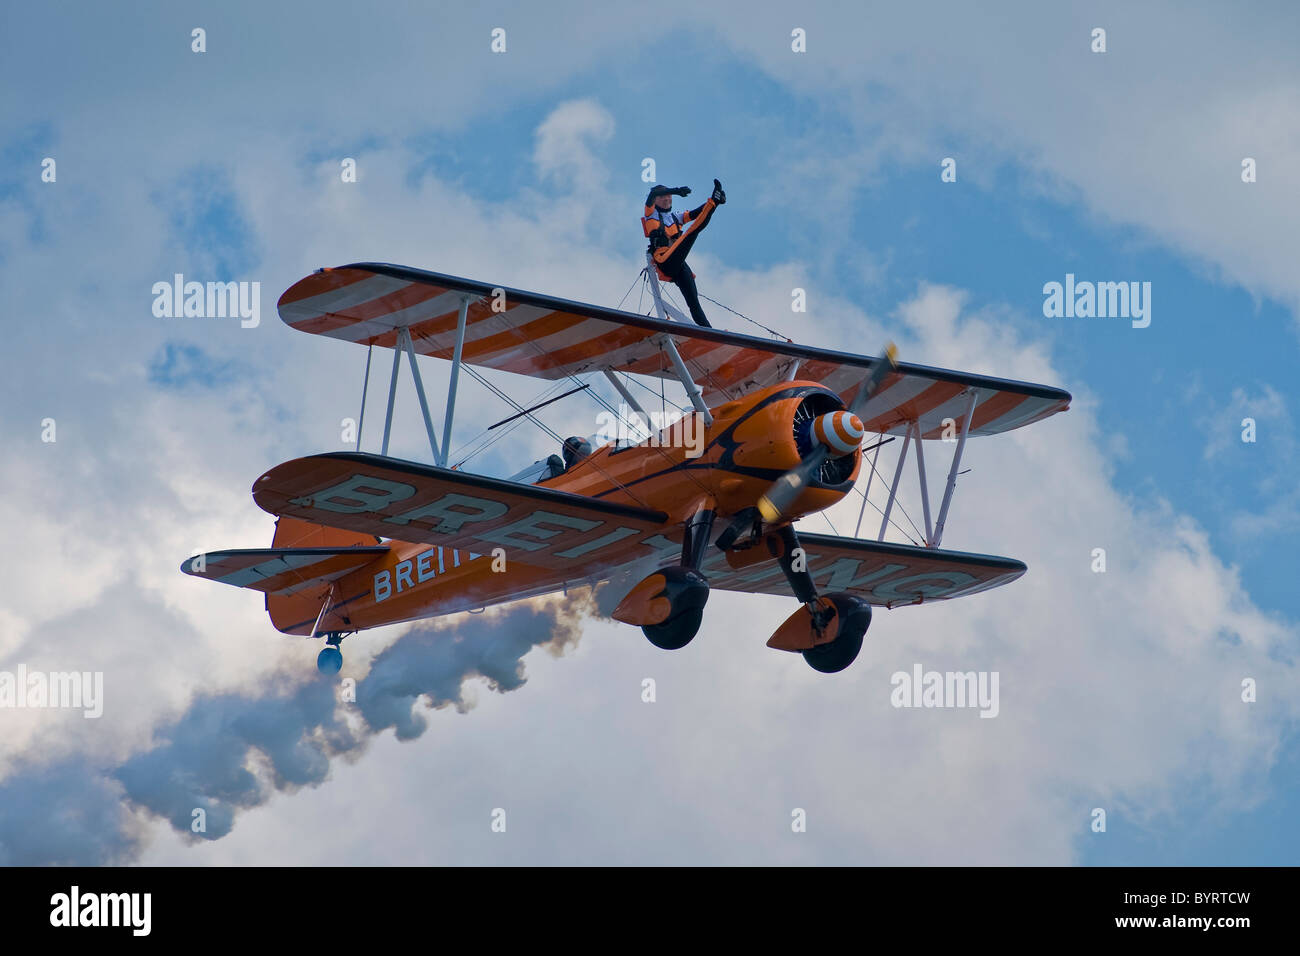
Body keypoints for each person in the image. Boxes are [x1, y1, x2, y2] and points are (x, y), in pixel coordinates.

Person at [641, 179, 726, 327]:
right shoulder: (650, 213)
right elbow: (653, 193)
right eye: (663, 196)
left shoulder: (676, 217)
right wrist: (676, 190)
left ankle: (709, 333)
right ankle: (715, 202)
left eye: (669, 196)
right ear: (655, 200)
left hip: (678, 264)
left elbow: (697, 213)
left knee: (694, 303)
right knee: (692, 232)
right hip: (664, 259)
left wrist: (713, 201)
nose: (667, 198)